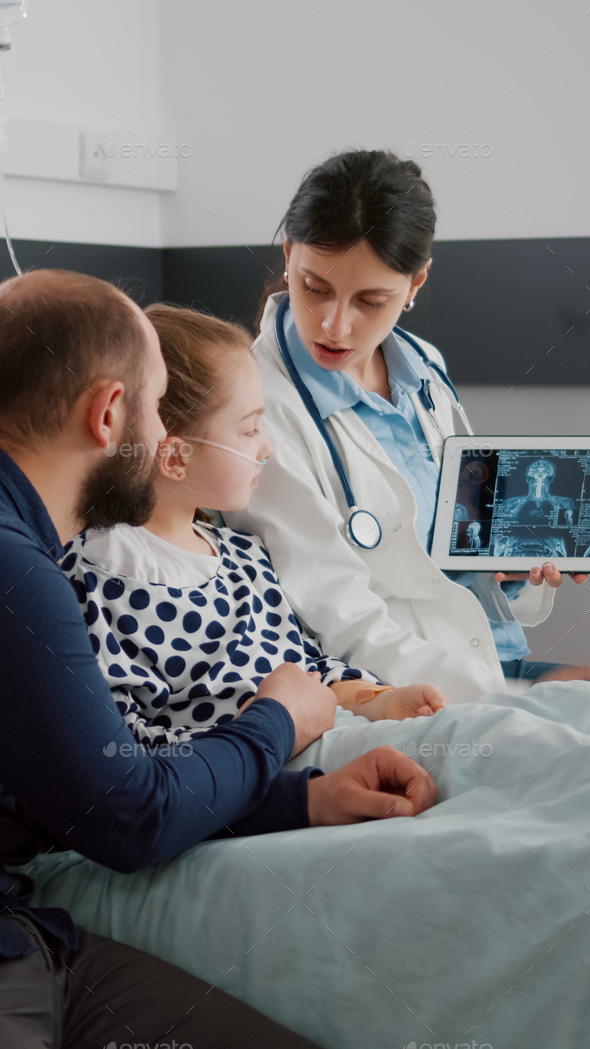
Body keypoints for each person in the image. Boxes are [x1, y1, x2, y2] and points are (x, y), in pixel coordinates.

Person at [0, 268, 437, 1047]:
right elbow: (125, 813)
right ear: (110, 415)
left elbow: (71, 790)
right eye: (155, 398)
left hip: (32, 927)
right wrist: (276, 722)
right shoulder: (29, 576)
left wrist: (306, 799)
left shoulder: (36, 557)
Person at [226, 148, 590, 700]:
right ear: (287, 255)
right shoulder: (255, 404)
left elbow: (453, 553)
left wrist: (512, 571)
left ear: (416, 283)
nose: (334, 324)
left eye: (370, 300)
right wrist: (510, 703)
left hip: (492, 655)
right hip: (402, 690)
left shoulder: (424, 370)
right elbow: (339, 619)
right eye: (314, 286)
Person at [62, 304, 448, 747]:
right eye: (249, 430)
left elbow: (310, 671)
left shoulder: (246, 559)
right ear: (174, 456)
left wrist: (379, 699)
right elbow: (126, 753)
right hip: (250, 783)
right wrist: (264, 733)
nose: (268, 447)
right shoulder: (97, 577)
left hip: (333, 743)